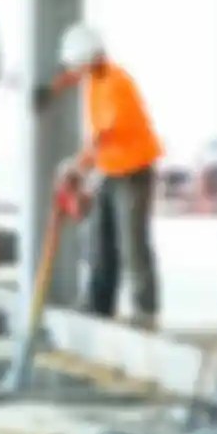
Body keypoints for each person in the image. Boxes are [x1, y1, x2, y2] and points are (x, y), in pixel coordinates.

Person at [34, 23, 163, 331]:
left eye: (77, 66)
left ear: (90, 59)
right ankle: (99, 305)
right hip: (111, 171)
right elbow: (69, 75)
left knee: (132, 243)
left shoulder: (115, 84)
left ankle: (146, 311)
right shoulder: (94, 77)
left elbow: (101, 137)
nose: (75, 73)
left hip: (133, 172)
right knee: (99, 239)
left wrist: (77, 168)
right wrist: (50, 89)